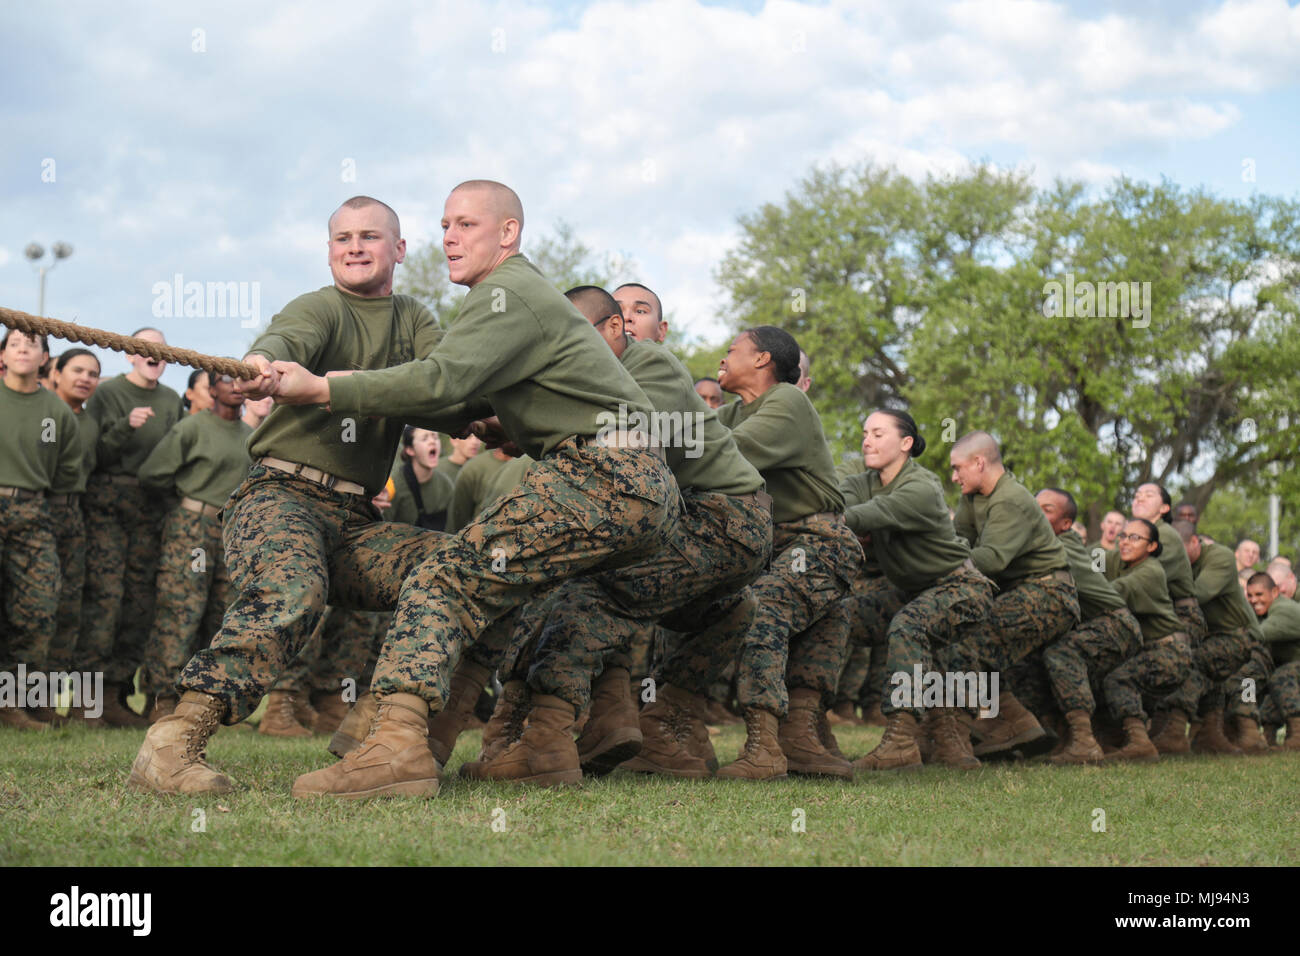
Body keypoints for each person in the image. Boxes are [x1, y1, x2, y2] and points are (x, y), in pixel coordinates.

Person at [272, 180, 683, 800]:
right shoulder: (521, 298)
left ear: (508, 233)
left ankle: (394, 750)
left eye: (466, 224)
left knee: (446, 575)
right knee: (496, 586)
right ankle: (503, 746)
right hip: (637, 485)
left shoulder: (506, 291)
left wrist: (323, 388)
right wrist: (495, 421)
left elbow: (440, 382)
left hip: (604, 476)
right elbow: (474, 400)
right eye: (444, 226)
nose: (449, 238)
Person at [127, 195, 448, 796]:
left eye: (370, 236)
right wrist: (264, 362)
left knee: (455, 566)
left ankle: (382, 724)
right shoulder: (319, 306)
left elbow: (445, 379)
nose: (354, 247)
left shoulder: (414, 319)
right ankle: (172, 743)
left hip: (355, 517)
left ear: (399, 249)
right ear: (329, 251)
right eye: (342, 238)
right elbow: (285, 338)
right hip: (281, 495)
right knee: (294, 589)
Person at [461, 285, 772, 783]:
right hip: (710, 529)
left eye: (637, 312)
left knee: (586, 593)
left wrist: (518, 426)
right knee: (719, 604)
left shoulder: (650, 365)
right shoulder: (601, 376)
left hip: (721, 520)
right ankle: (659, 731)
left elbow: (619, 436)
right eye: (617, 310)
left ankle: (546, 739)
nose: (624, 320)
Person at [708, 326, 863, 780]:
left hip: (818, 543)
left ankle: (765, 748)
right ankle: (801, 743)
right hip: (780, 548)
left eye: (731, 349)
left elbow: (728, 453)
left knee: (763, 613)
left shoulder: (788, 400)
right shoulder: (738, 410)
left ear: (761, 360)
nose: (722, 357)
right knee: (805, 641)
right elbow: (697, 440)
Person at [843, 410, 995, 772]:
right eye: (865, 433)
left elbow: (863, 514)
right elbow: (836, 497)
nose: (867, 441)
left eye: (878, 434)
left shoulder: (922, 487)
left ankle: (900, 739)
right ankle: (808, 722)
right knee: (839, 614)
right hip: (912, 590)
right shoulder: (864, 481)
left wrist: (828, 517)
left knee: (909, 626)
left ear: (906, 443)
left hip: (960, 586)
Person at [946, 431, 1080, 758]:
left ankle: (961, 731)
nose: (953, 476)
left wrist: (935, 557)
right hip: (1024, 590)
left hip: (1049, 591)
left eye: (958, 468)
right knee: (974, 645)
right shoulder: (972, 496)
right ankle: (1013, 724)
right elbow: (958, 539)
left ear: (979, 463)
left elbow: (991, 559)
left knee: (969, 644)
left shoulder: (1010, 499)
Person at [80, 328, 183, 727]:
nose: (152, 353)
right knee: (104, 598)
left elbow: (176, 455)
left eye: (161, 347)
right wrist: (126, 426)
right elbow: (96, 452)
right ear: (129, 355)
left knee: (139, 602)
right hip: (108, 499)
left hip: (152, 505)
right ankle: (87, 703)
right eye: (144, 347)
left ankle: (116, 695)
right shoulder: (108, 395)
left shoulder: (172, 401)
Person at [136, 373, 253, 721]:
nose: (235, 385)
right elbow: (153, 474)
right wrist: (184, 503)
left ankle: (202, 700)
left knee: (221, 615)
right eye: (226, 379)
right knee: (180, 609)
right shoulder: (191, 428)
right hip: (192, 528)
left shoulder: (252, 436)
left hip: (232, 532)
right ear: (212, 388)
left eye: (242, 380)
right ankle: (160, 699)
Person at [0, 329, 80, 729]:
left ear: (45, 357)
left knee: (37, 611)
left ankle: (14, 702)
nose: (23, 349)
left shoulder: (56, 411)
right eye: (14, 343)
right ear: (2, 356)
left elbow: (66, 472)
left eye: (32, 344)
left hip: (33, 508)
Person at [1034, 489, 1143, 765]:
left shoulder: (1060, 546)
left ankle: (1083, 741)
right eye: (1034, 508)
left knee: (1061, 655)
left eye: (1046, 510)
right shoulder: (1054, 540)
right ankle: (1063, 737)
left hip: (1115, 623)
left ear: (1066, 524)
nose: (1036, 514)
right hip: (1102, 623)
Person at [1152, 531, 1263, 755]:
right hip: (1215, 639)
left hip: (1245, 642)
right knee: (1214, 677)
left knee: (1236, 679)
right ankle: (1211, 733)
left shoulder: (1219, 558)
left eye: (1259, 594)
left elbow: (1197, 595)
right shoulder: (1183, 565)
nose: (1255, 599)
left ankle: (1248, 731)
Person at [1099, 517, 1190, 762]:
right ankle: (1108, 738)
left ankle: (1139, 743)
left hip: (1168, 652)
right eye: (1123, 536)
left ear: (1151, 546)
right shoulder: (1122, 560)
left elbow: (1111, 592)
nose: (1126, 542)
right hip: (1150, 649)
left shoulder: (1149, 571)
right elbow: (1094, 561)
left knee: (1118, 680)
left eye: (1135, 538)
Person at [44, 349, 101, 695]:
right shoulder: (43, 410)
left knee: (67, 607)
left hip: (74, 514)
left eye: (92, 374)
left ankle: (44, 697)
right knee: (34, 604)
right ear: (56, 372)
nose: (85, 378)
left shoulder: (91, 423)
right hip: (38, 508)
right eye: (77, 370)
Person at [1128, 484, 1205, 645]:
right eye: (1137, 495)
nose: (1140, 498)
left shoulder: (1166, 535)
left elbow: (1139, 576)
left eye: (1148, 495)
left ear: (1164, 508)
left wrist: (1103, 585)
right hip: (1145, 614)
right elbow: (1102, 562)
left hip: (1178, 617)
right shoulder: (1128, 534)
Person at [1247, 569, 1300, 749]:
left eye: (1259, 594)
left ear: (1275, 592)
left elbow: (1259, 635)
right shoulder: (1267, 612)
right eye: (1250, 596)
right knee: (1270, 682)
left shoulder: (1285, 609)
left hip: (1292, 668)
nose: (1254, 600)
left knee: (1281, 678)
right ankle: (1267, 736)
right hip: (1292, 666)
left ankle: (1298, 733)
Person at [386, 427, 454, 531]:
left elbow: (453, 527)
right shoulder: (394, 485)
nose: (432, 441)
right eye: (424, 438)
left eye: (435, 437)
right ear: (410, 450)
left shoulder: (445, 484)